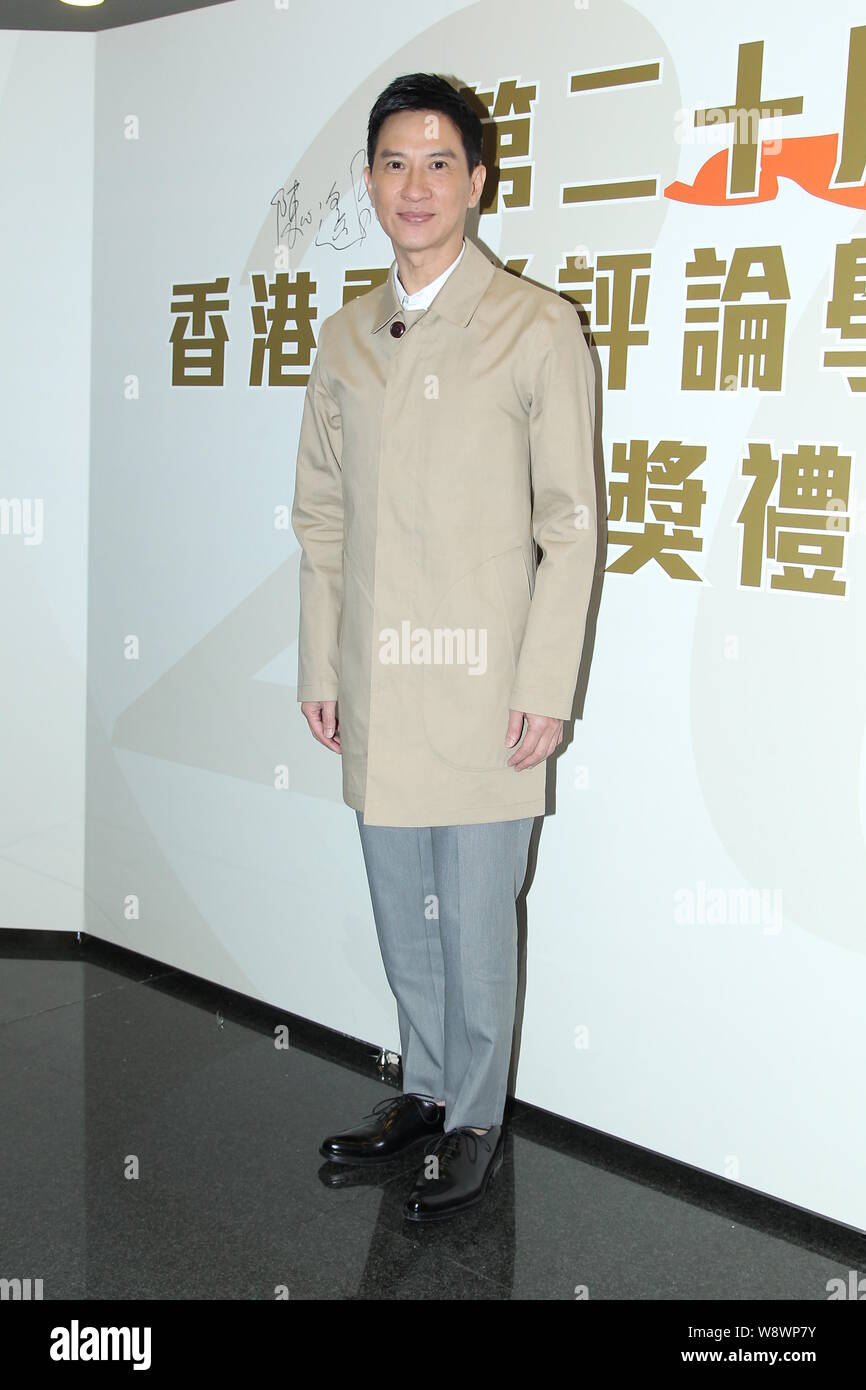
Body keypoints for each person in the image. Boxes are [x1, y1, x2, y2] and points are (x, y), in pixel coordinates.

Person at [291, 72, 597, 1222]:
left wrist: (544, 686)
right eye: (390, 163)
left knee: (473, 920)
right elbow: (321, 517)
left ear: (475, 180)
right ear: (369, 181)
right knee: (400, 912)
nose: (412, 186)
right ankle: (421, 1091)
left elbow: (568, 525)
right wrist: (322, 665)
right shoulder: (345, 337)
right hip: (378, 676)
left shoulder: (533, 326)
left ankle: (473, 1119)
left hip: (485, 686)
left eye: (436, 163)